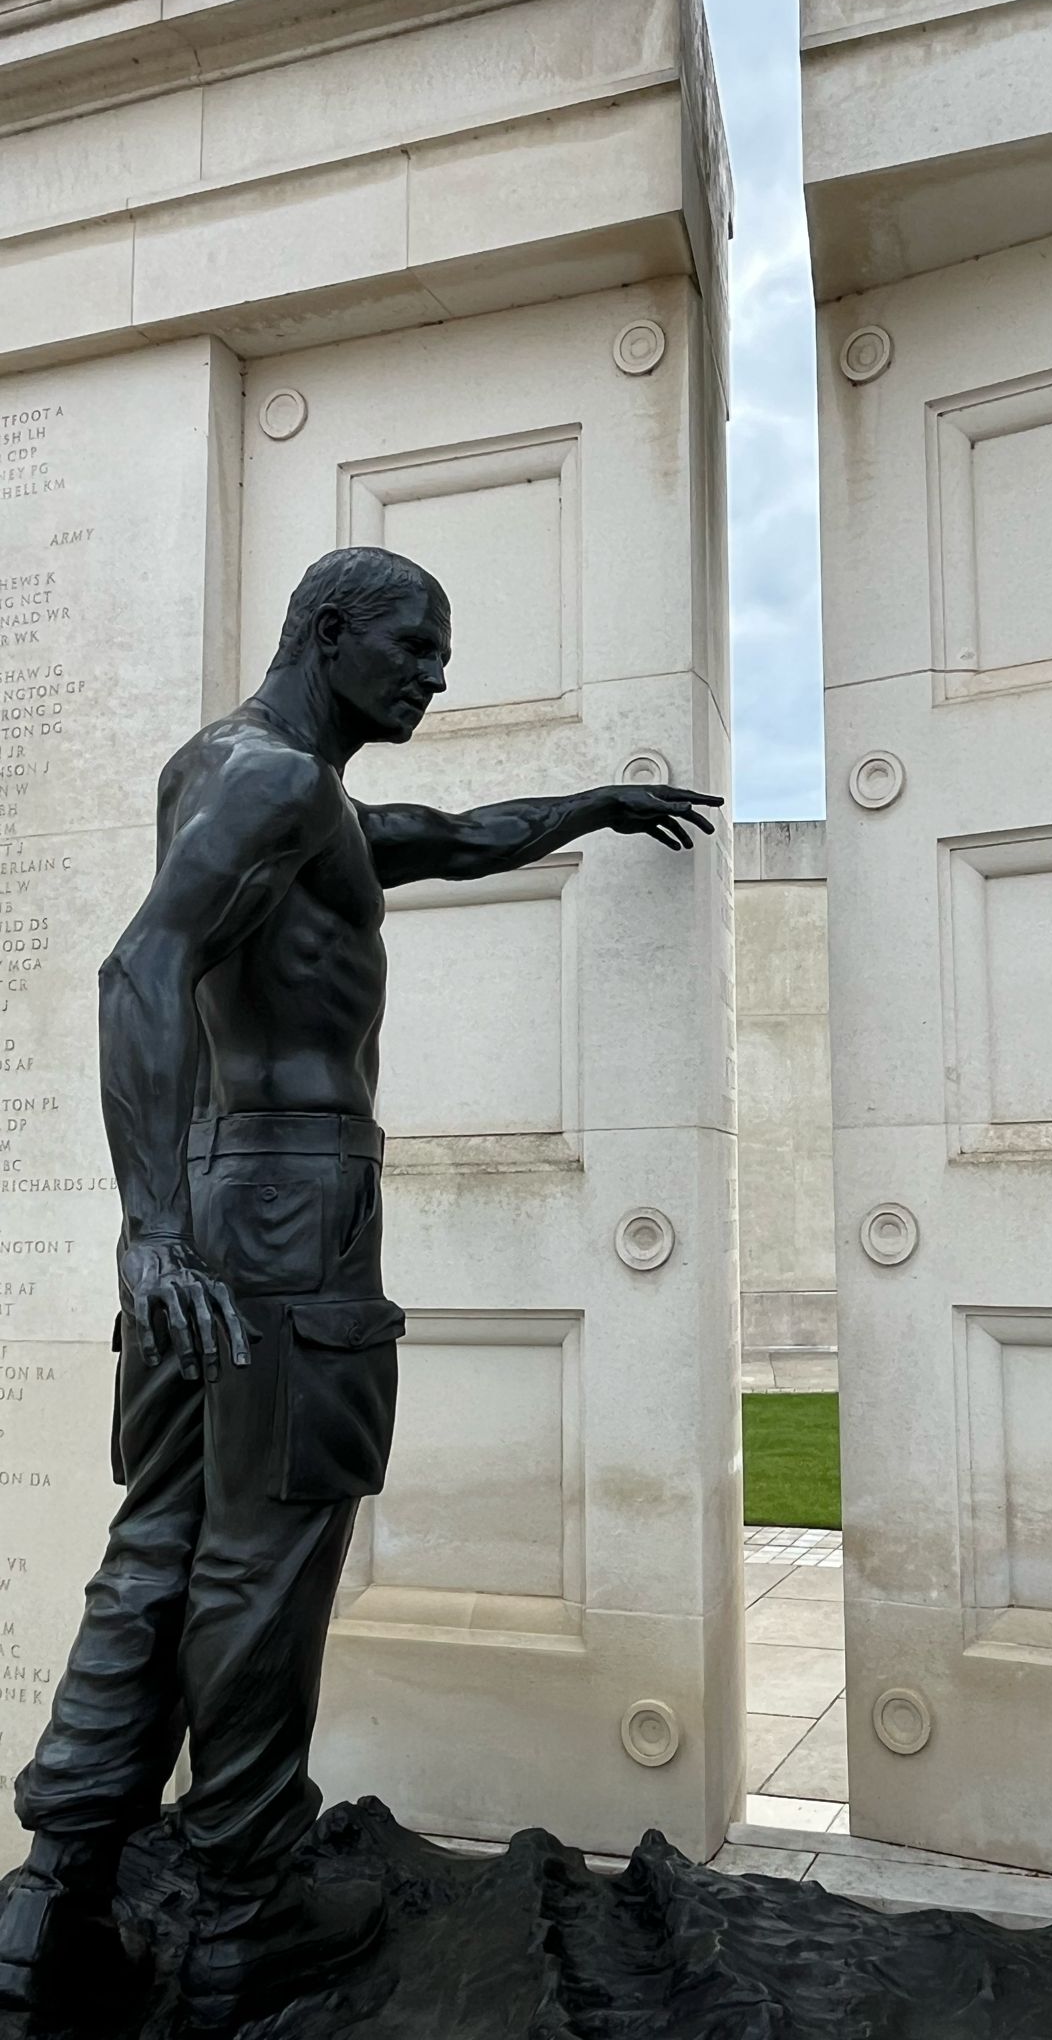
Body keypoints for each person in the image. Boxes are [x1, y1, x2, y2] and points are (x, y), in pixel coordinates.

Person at [0, 547, 722, 2027]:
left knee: (167, 1542)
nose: (436, 676)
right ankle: (246, 1901)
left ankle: (53, 1886)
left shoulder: (244, 777)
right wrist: (146, 1233)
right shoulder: (272, 786)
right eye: (416, 646)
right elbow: (137, 972)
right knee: (266, 1560)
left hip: (214, 1198)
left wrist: (587, 805)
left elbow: (445, 839)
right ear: (329, 632)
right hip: (283, 1208)